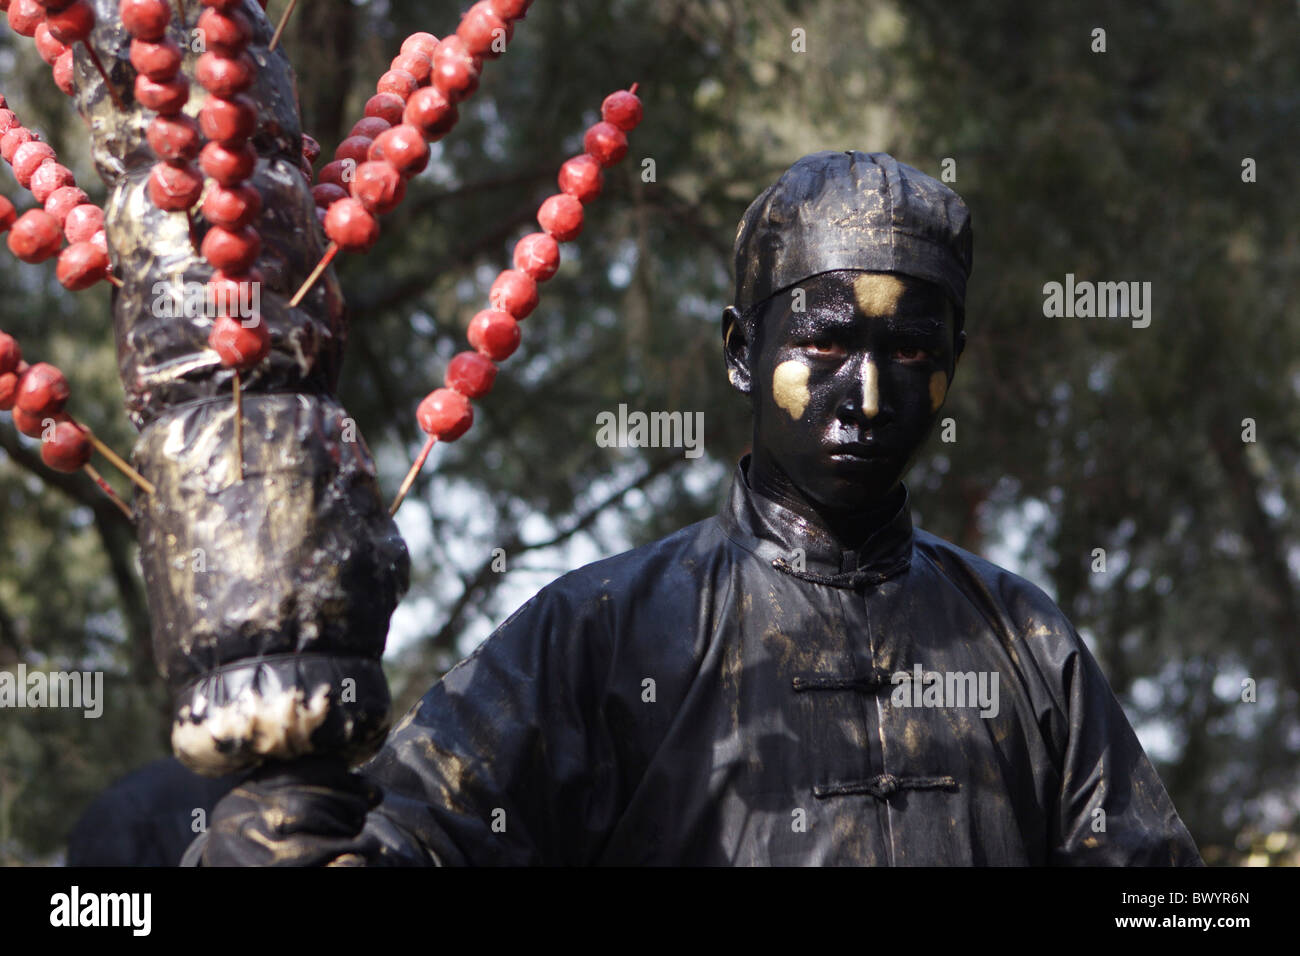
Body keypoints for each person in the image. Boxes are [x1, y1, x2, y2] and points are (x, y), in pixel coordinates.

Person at [188, 151, 1203, 866]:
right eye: (825, 343)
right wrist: (283, 816)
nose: (871, 392)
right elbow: (413, 836)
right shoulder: (596, 634)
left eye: (909, 353)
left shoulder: (1026, 641)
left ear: (952, 366)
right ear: (739, 351)